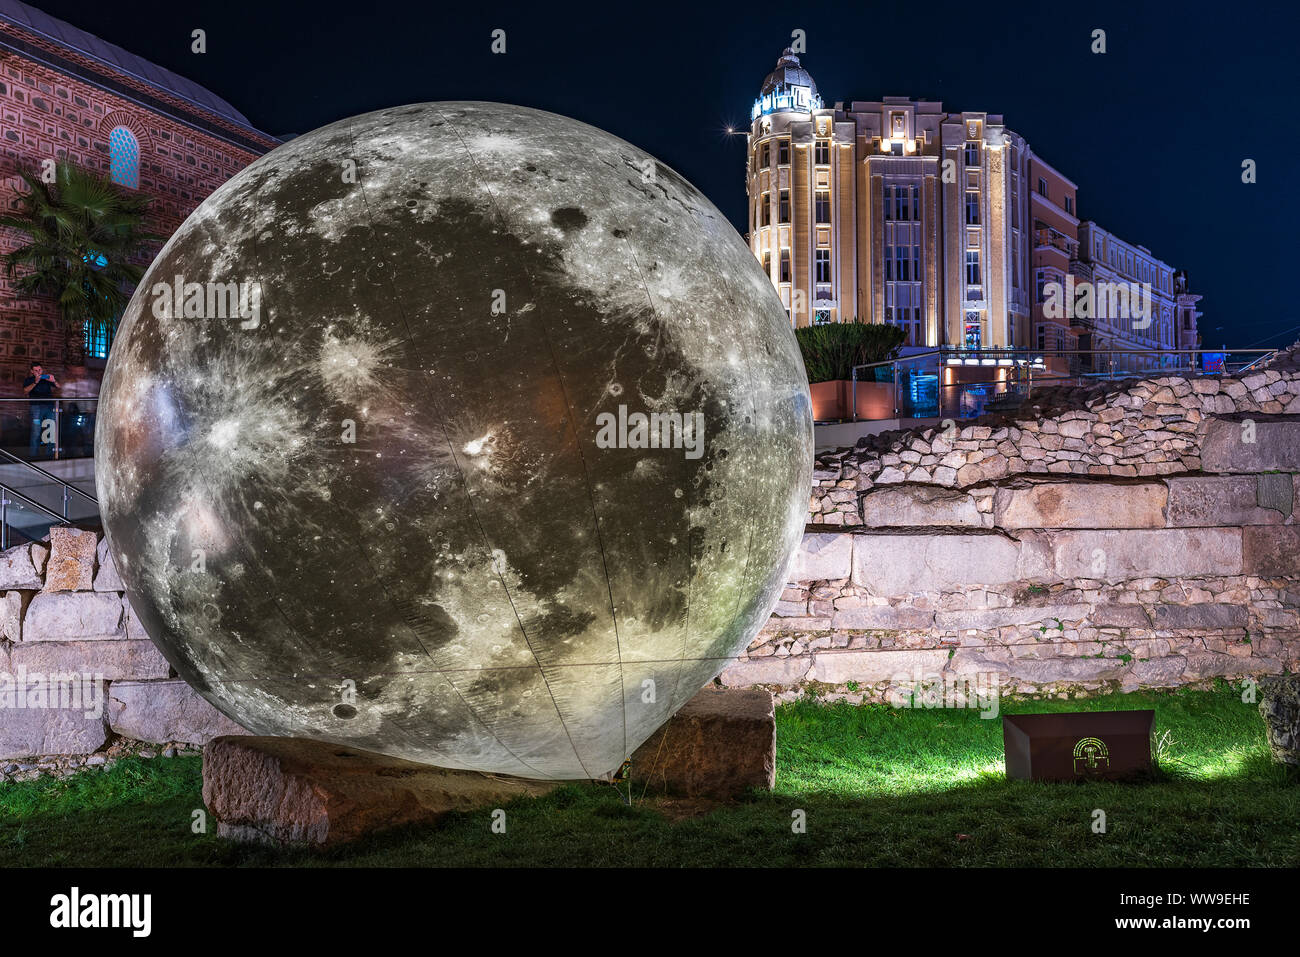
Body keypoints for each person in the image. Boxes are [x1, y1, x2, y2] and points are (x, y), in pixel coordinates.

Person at [22, 362, 59, 460]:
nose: (38, 372)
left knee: (51, 432)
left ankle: (50, 455)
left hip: (50, 407)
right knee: (36, 432)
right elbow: (25, 391)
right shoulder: (29, 380)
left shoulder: (46, 379)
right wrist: (35, 382)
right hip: (36, 408)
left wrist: (54, 381)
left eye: (40, 370)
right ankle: (34, 456)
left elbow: (59, 388)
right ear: (32, 371)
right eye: (36, 370)